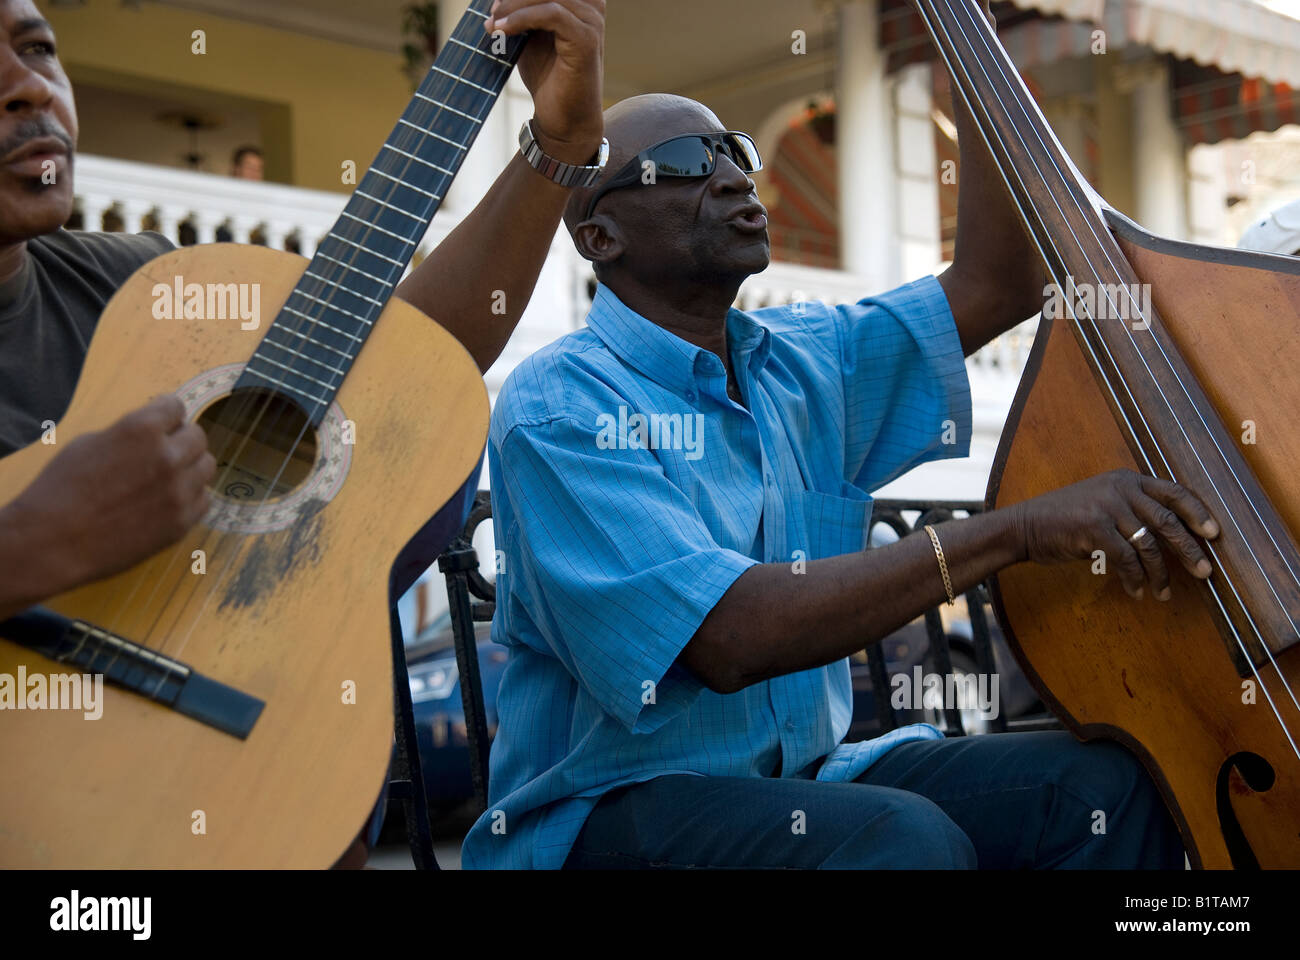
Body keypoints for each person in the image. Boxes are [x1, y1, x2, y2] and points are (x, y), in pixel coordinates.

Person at [462, 3, 1214, 869]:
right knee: (902, 841)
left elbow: (996, 283)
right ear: (601, 236)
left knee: (1107, 787)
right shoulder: (561, 403)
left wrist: (977, 52)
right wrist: (1018, 530)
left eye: (734, 152)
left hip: (810, 779)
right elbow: (729, 637)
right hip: (603, 816)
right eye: (681, 165)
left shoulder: (804, 360)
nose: (733, 177)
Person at [0, 0, 607, 866]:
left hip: (225, 769)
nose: (29, 88)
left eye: (38, 50)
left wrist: (558, 146)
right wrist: (37, 539)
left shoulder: (136, 290)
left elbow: (397, 360)